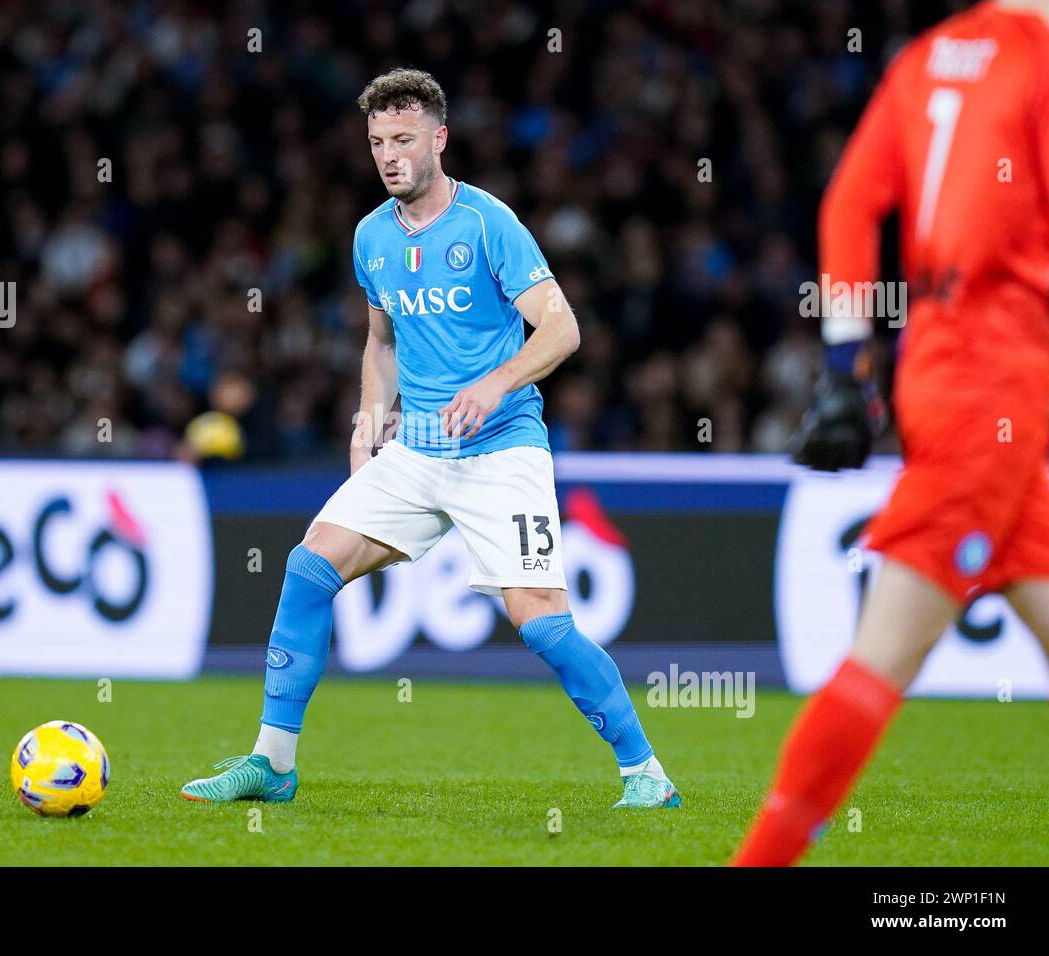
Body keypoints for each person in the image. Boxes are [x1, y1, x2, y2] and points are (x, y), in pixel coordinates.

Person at [180, 68, 680, 809]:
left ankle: (646, 773)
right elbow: (380, 342)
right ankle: (272, 762)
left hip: (502, 448)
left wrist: (493, 384)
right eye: (378, 141)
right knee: (308, 567)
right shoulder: (371, 236)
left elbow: (563, 327)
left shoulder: (487, 224)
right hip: (416, 450)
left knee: (541, 625)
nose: (389, 155)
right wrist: (368, 418)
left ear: (439, 139)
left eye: (404, 139)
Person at [733, 0, 1049, 866]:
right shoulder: (1043, 58)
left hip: (936, 369)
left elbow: (848, 205)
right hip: (999, 379)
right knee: (883, 655)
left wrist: (847, 368)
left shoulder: (928, 57)